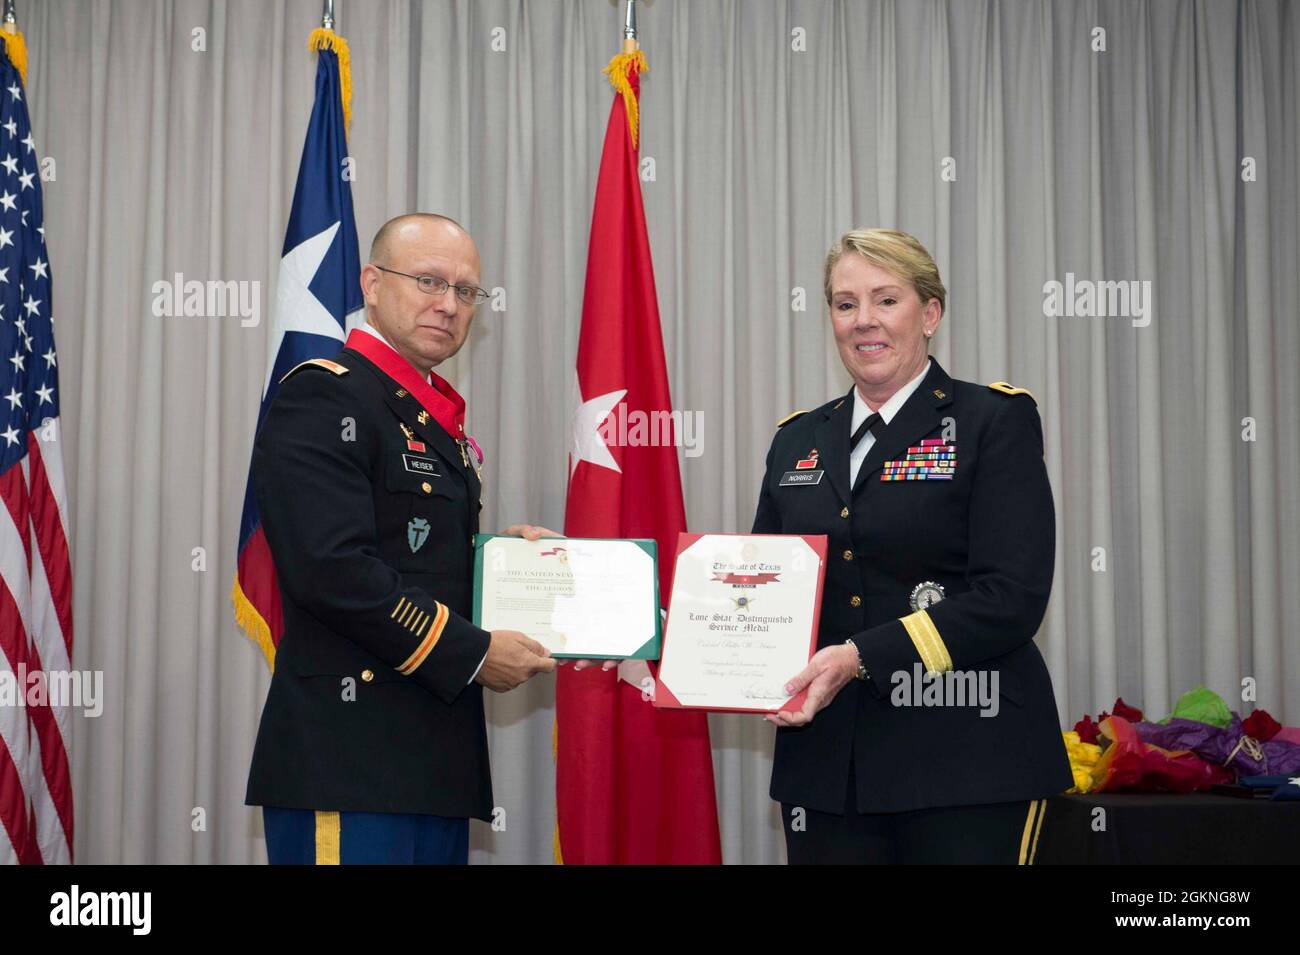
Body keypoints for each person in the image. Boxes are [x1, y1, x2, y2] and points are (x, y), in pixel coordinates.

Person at [753, 227, 1072, 864]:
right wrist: (661, 640)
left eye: (885, 300)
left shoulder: (991, 421)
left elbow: (1011, 598)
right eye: (845, 304)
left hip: (965, 764)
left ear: (930, 314)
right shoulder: (796, 439)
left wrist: (858, 656)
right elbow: (764, 591)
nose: (863, 321)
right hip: (829, 774)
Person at [245, 213, 557, 864]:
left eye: (466, 291)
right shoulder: (324, 397)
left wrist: (503, 568)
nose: (448, 304)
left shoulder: (424, 415)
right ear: (372, 283)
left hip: (433, 763)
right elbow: (332, 569)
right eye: (428, 280)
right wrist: (471, 650)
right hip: (349, 759)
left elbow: (411, 557)